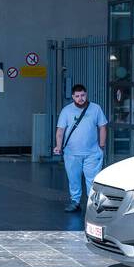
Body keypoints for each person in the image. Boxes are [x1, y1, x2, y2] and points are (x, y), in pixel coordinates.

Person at [54, 84, 108, 212]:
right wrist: (58, 146)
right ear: (73, 97)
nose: (80, 98)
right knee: (74, 178)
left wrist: (101, 145)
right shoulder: (66, 111)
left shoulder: (95, 109)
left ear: (86, 94)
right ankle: (75, 201)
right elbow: (60, 130)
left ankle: (92, 204)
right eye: (77, 96)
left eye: (83, 95)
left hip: (92, 153)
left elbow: (103, 127)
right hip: (71, 153)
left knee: (93, 180)